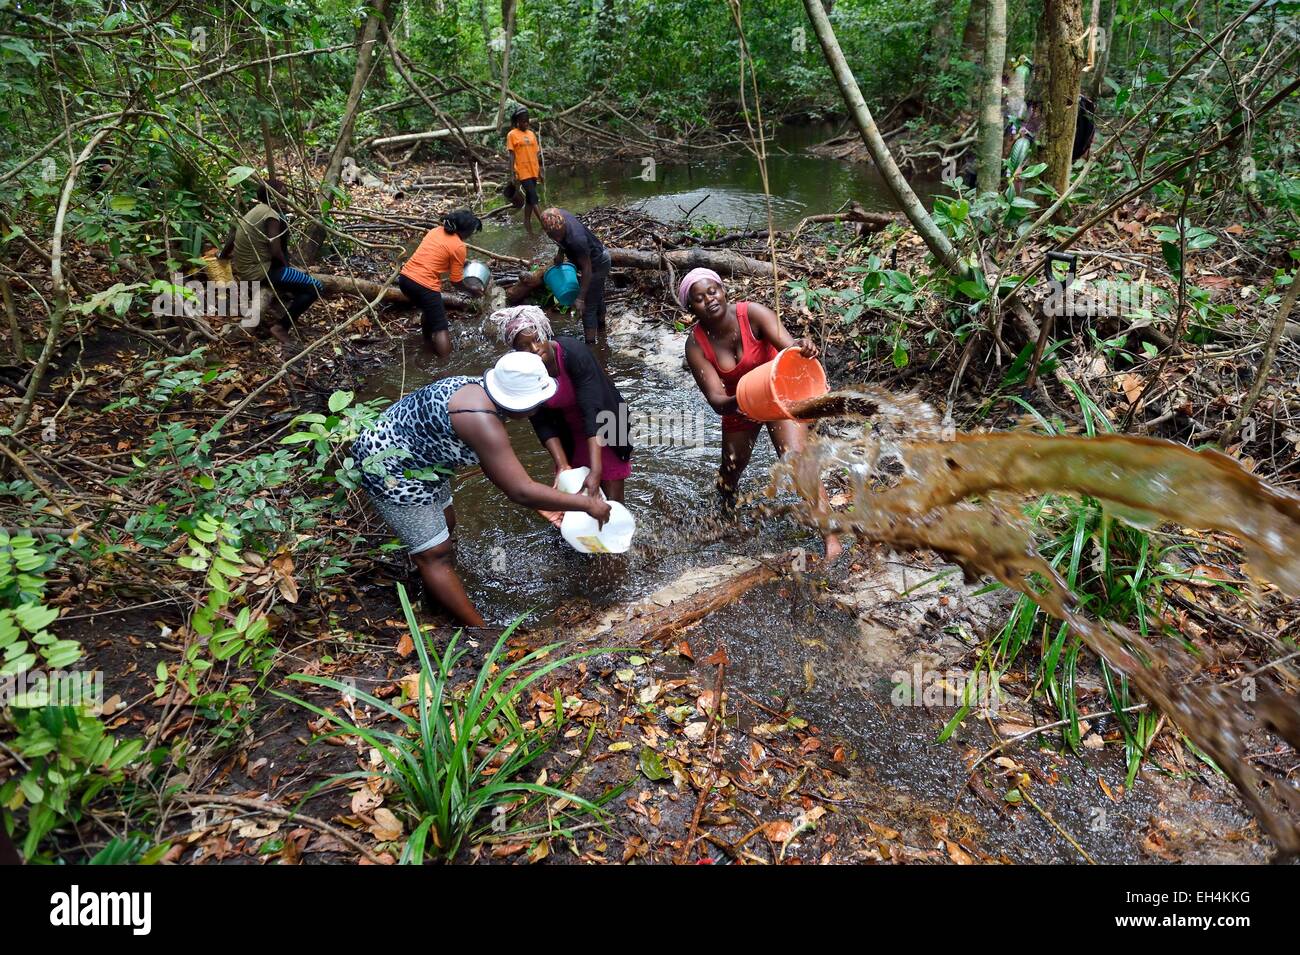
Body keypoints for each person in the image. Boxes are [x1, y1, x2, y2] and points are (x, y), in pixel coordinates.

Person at [353, 351, 612, 628]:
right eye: (535, 404)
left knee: (446, 525)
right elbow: (520, 490)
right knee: (434, 554)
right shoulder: (481, 421)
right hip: (386, 468)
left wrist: (542, 503)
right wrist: (586, 504)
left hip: (421, 461)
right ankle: (480, 632)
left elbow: (498, 471)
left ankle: (436, 592)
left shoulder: (480, 393)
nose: (537, 410)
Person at [680, 268, 842, 562]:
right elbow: (716, 400)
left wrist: (803, 348)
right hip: (737, 404)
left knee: (796, 459)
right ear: (691, 308)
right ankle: (725, 511)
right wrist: (743, 402)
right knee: (731, 470)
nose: (710, 300)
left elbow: (790, 349)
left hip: (779, 396)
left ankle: (831, 539)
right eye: (700, 299)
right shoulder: (695, 345)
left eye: (712, 291)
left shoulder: (752, 313)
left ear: (723, 289)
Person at [493, 305, 632, 502]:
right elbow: (541, 421)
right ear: (515, 352)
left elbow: (592, 410)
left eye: (537, 339)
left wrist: (596, 471)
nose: (534, 349)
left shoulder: (574, 353)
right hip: (570, 432)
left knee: (613, 498)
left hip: (606, 424)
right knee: (577, 496)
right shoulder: (523, 372)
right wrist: (562, 464)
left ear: (546, 334)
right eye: (524, 346)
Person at [218, 178, 323, 347]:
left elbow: (232, 237)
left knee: (297, 281)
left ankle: (286, 295)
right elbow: (275, 251)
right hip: (261, 271)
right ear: (270, 197)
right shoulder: (271, 215)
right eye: (282, 196)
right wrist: (288, 270)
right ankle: (281, 327)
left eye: (287, 196)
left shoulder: (256, 210)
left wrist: (222, 257)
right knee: (316, 287)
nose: (286, 200)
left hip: (248, 269)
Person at [399, 209, 484, 358]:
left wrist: (462, 263)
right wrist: (472, 290)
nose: (470, 236)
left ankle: (426, 343)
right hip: (423, 284)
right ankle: (446, 365)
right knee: (441, 328)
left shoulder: (435, 231)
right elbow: (455, 282)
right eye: (471, 232)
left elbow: (436, 254)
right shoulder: (459, 246)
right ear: (464, 231)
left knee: (430, 310)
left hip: (405, 279)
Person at [540, 207, 611, 345]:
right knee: (597, 295)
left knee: (588, 306)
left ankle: (591, 345)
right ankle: (602, 330)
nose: (557, 238)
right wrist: (560, 254)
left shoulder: (577, 240)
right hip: (592, 261)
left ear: (563, 226)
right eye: (553, 236)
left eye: (559, 235)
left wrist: (580, 298)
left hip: (598, 263)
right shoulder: (557, 217)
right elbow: (561, 241)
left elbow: (587, 269)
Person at [505, 107, 544, 235]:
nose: (525, 123)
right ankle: (545, 224)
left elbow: (536, 154)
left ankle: (527, 223)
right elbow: (511, 156)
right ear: (517, 121)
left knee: (529, 199)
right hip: (522, 171)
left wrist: (540, 172)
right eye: (523, 121)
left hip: (533, 170)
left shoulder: (531, 134)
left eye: (527, 121)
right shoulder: (512, 134)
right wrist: (511, 174)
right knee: (534, 196)